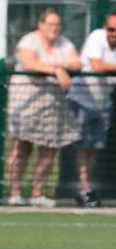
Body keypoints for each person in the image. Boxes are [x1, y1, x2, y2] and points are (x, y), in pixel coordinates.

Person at [7, 8, 81, 208]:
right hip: (27, 102)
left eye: (57, 24)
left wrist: (61, 67)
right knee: (22, 148)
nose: (54, 29)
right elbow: (30, 63)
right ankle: (15, 192)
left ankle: (37, 193)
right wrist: (57, 69)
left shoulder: (63, 43)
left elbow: (76, 63)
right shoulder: (29, 41)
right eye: (50, 24)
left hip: (53, 104)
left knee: (49, 150)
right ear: (41, 25)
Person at [67, 12, 116, 208]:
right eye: (112, 29)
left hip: (103, 103)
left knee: (94, 148)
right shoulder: (96, 37)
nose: (114, 34)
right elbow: (96, 65)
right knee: (83, 146)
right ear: (105, 28)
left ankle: (86, 189)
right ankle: (84, 188)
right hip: (82, 101)